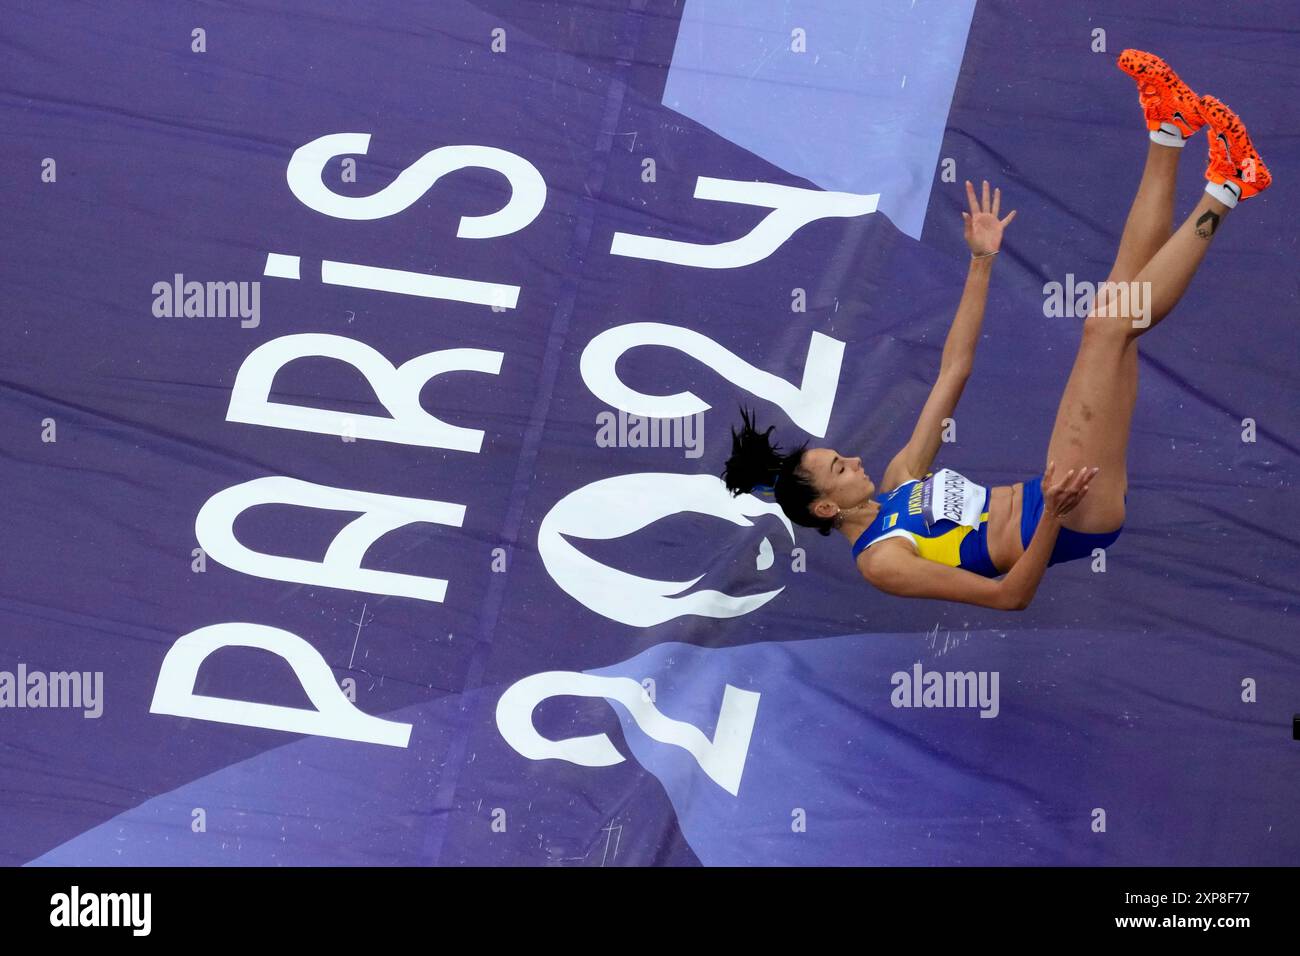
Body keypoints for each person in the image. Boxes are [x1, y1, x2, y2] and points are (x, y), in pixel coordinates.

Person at [721, 50, 1271, 610]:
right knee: (1105, 327)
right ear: (825, 508)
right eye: (840, 468)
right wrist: (1053, 516)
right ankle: (1229, 186)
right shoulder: (882, 560)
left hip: (1060, 495)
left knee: (1117, 302)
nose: (856, 460)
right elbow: (1009, 595)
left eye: (843, 456)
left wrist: (981, 262)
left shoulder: (902, 475)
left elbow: (953, 370)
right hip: (1073, 513)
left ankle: (1170, 129)